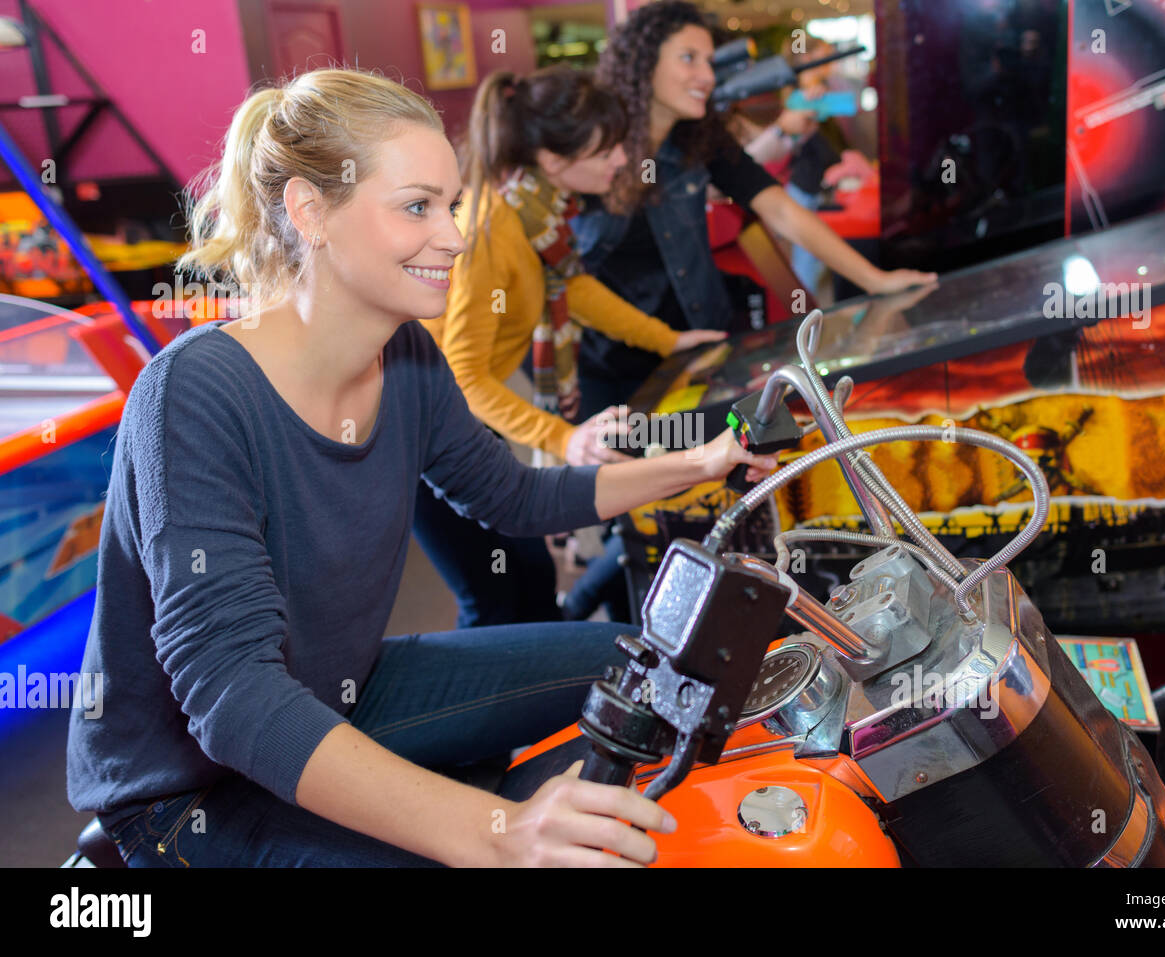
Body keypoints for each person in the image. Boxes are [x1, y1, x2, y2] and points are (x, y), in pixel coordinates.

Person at [65, 68, 776, 867]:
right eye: (417, 207)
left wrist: (703, 462)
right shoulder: (194, 393)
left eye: (450, 202)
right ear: (310, 211)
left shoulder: (406, 354)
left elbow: (514, 496)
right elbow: (232, 696)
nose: (456, 234)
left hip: (350, 688)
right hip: (188, 791)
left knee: (647, 666)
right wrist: (498, 833)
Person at [417, 67, 725, 626]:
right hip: (418, 430)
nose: (618, 162)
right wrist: (565, 438)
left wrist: (669, 339)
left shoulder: (537, 214)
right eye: (606, 149)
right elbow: (464, 375)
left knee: (530, 579)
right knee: (493, 598)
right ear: (556, 159)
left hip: (446, 417)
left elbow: (574, 289)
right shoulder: (493, 227)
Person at [572, 0, 937, 419]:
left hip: (701, 357)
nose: (706, 76)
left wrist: (876, 280)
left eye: (709, 62)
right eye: (688, 59)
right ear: (643, 64)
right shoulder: (593, 149)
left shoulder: (700, 139)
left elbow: (782, 211)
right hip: (617, 372)